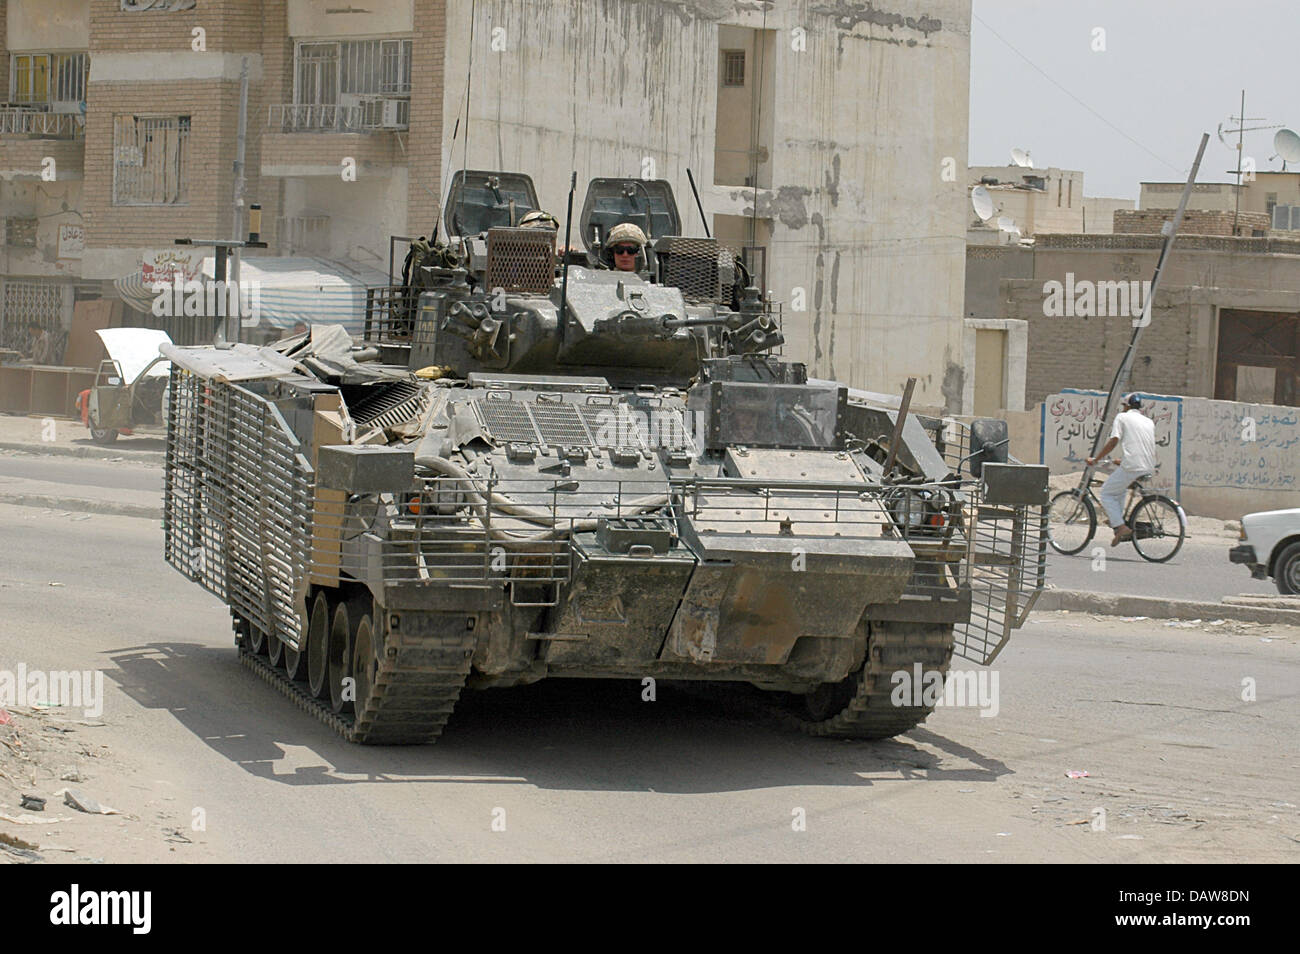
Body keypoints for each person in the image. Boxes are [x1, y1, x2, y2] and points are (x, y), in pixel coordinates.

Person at [1086, 393, 1157, 546]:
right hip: (1148, 465)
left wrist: (1096, 459)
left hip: (1133, 465)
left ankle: (1120, 526)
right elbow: (1141, 445)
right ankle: (1117, 519)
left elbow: (1114, 441)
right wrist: (1123, 460)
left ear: (1126, 406)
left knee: (1106, 493)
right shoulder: (1148, 421)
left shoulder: (1122, 417)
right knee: (1120, 488)